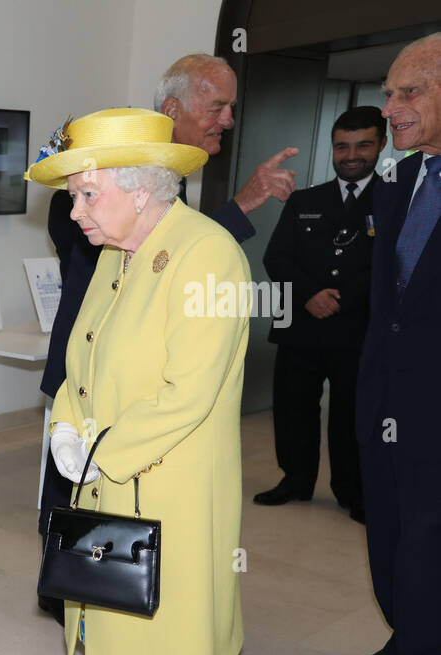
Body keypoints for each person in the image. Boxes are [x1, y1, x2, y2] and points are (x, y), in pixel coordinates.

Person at [25, 108, 250, 655]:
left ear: (144, 191)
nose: (75, 210)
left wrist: (98, 448)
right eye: (73, 195)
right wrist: (66, 423)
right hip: (106, 468)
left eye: (88, 194)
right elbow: (81, 355)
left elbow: (190, 394)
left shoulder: (209, 256)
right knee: (110, 593)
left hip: (169, 479)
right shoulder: (116, 251)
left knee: (158, 612)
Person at [37, 52, 298, 625]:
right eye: (217, 105)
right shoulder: (99, 211)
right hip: (92, 397)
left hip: (149, 431)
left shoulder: (186, 225)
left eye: (231, 107)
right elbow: (148, 263)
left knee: (145, 581)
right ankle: (79, 603)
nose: (227, 120)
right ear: (174, 108)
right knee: (77, 542)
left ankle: (103, 614)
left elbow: (186, 262)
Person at [338, 33, 441, 655]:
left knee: (429, 544)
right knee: (391, 534)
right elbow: (387, 304)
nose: (390, 108)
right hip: (384, 397)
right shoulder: (401, 181)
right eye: (390, 91)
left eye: (411, 92)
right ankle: (407, 641)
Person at [256, 107, 386, 523]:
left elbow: (394, 265)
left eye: (362, 145)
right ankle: (295, 479)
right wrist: (310, 294)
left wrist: (341, 298)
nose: (351, 155)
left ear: (380, 145)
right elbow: (276, 257)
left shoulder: (394, 201)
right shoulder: (305, 200)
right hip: (301, 326)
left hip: (357, 330)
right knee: (293, 408)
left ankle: (353, 490)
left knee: (351, 414)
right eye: (342, 146)